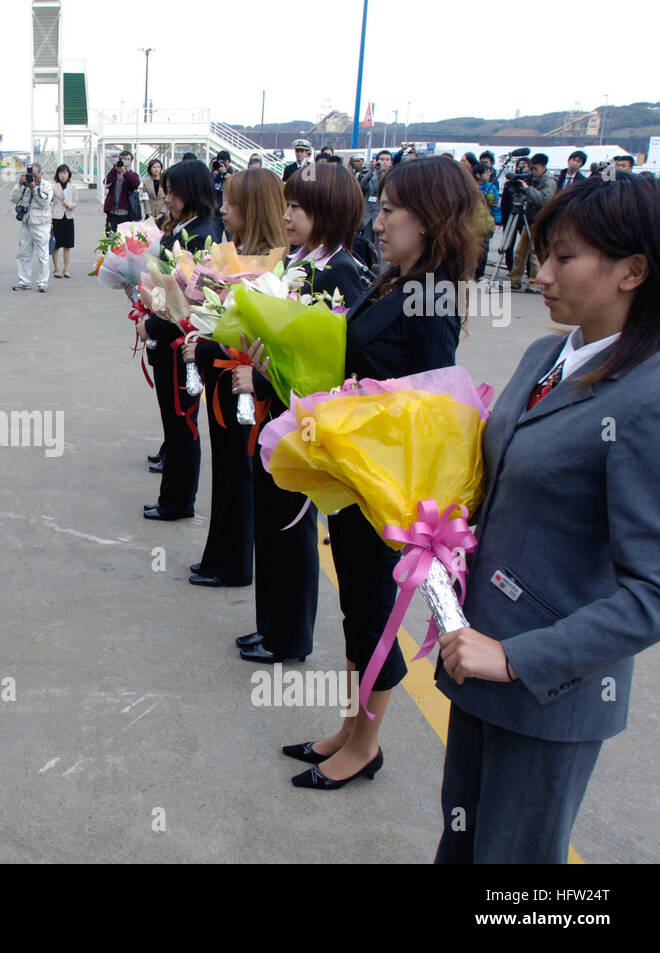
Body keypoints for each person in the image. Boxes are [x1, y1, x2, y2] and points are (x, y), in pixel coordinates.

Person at [433, 173, 660, 863]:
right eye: (543, 252)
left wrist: (514, 657)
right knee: (463, 845)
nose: (543, 271)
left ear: (633, 270)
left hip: (546, 695)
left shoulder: (647, 399)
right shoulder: (545, 354)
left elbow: (650, 592)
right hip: (474, 659)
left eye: (564, 256)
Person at [283, 155, 478, 789]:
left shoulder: (432, 294)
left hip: (387, 486)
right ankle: (349, 727)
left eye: (393, 208)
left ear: (431, 220)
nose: (381, 217)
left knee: (372, 613)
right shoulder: (395, 278)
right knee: (357, 607)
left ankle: (366, 746)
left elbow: (437, 402)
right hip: (357, 474)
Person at [234, 163, 368, 666]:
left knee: (291, 527)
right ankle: (269, 623)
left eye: (297, 207)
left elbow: (331, 369)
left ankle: (288, 636)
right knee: (270, 523)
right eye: (287, 205)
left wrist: (266, 378)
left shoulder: (340, 275)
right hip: (278, 415)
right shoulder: (302, 263)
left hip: (302, 420)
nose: (287, 215)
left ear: (327, 212)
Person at [181, 168, 286, 594]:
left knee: (238, 473)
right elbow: (202, 304)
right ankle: (221, 555)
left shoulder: (269, 266)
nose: (222, 209)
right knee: (225, 472)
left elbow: (251, 332)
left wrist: (207, 346)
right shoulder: (232, 254)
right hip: (223, 378)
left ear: (253, 208)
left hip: (243, 381)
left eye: (232, 203)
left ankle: (234, 562)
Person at [138, 160, 221, 521]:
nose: (167, 198)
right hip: (169, 342)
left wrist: (153, 326)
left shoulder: (202, 234)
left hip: (181, 346)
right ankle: (171, 495)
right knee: (174, 423)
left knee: (182, 424)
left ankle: (178, 502)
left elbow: (188, 304)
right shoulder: (186, 228)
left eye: (172, 191)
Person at [509, 153, 556, 292]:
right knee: (520, 252)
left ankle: (535, 283)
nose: (533, 172)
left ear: (542, 167)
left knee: (535, 254)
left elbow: (544, 200)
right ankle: (514, 279)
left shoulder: (549, 182)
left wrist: (527, 189)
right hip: (528, 220)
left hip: (539, 221)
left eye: (535, 169)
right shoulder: (533, 179)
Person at [10, 162, 53, 292]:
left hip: (41, 225)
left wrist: (34, 187)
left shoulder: (47, 186)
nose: (32, 177)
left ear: (41, 174)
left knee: (43, 255)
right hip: (26, 224)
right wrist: (19, 185)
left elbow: (44, 202)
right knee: (23, 254)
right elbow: (13, 198)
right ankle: (24, 281)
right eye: (30, 175)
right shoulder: (24, 186)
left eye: (34, 175)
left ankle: (42, 282)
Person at [103, 149, 140, 233]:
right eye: (124, 159)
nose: (126, 161)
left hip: (126, 213)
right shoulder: (114, 173)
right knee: (110, 237)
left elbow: (135, 184)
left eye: (128, 159)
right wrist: (114, 169)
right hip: (112, 212)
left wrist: (125, 172)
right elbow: (106, 183)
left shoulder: (132, 174)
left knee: (124, 239)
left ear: (131, 161)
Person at [50, 163, 77, 278]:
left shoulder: (73, 187)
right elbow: (50, 204)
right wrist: (50, 221)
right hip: (56, 218)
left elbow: (76, 202)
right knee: (56, 245)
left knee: (67, 245)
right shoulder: (53, 187)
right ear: (58, 174)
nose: (63, 175)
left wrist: (69, 204)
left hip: (69, 217)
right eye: (61, 173)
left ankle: (66, 269)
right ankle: (56, 269)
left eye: (65, 173)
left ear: (69, 174)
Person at [141, 157, 167, 226]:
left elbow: (167, 198)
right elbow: (145, 199)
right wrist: (149, 214)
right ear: (150, 169)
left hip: (163, 213)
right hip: (150, 213)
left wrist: (162, 213)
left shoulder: (165, 181)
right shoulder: (146, 182)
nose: (156, 169)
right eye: (154, 167)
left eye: (158, 167)